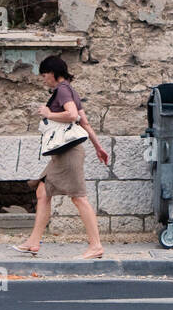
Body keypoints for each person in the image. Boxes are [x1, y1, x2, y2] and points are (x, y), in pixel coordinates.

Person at [13, 55, 108, 259]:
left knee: (79, 198)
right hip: (63, 153)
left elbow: (72, 115)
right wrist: (98, 147)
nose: (43, 79)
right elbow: (85, 123)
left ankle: (96, 245)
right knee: (42, 191)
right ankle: (33, 241)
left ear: (54, 73)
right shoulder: (71, 90)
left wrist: (48, 114)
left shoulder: (63, 90)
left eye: (45, 74)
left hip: (68, 153)